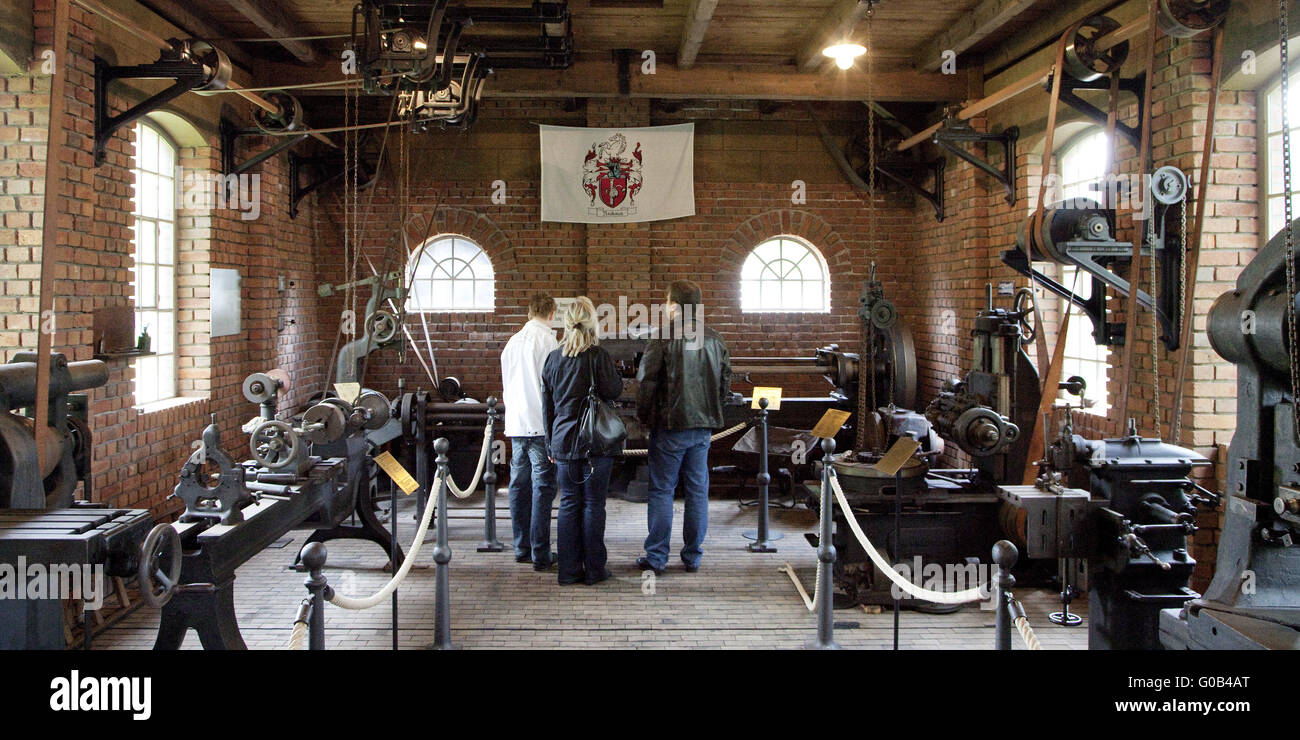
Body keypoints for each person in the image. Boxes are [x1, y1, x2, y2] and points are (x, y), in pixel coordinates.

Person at [636, 280, 731, 575]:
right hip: (703, 427)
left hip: (669, 426)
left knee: (663, 491)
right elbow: (724, 384)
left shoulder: (661, 338)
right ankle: (692, 556)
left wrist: (643, 418)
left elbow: (646, 384)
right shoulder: (716, 339)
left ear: (674, 305)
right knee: (697, 491)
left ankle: (657, 557)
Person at [541, 296, 624, 586]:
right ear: (593, 322)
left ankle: (568, 571)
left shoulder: (553, 358)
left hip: (563, 443)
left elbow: (547, 406)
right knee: (593, 505)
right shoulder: (598, 356)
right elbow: (614, 391)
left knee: (568, 504)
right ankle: (594, 570)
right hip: (595, 443)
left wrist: (551, 444)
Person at [500, 293, 560, 570]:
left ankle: (520, 546)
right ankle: (540, 552)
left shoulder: (511, 343)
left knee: (518, 486)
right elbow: (554, 387)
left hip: (515, 424)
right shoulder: (549, 341)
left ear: (529, 312)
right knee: (543, 488)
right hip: (540, 425)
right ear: (551, 314)